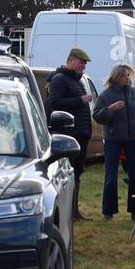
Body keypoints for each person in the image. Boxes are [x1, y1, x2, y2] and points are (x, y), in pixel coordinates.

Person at [92, 62, 135, 220]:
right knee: (110, 176)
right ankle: (108, 212)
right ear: (117, 77)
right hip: (112, 140)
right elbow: (97, 116)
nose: (127, 78)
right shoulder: (105, 95)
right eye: (124, 75)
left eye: (129, 75)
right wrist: (109, 110)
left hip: (133, 140)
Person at [47, 48, 95, 220]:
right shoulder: (60, 79)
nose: (84, 67)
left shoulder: (77, 80)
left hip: (79, 135)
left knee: (77, 173)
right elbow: (55, 102)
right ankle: (67, 213)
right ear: (72, 60)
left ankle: (74, 212)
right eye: (82, 63)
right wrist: (79, 100)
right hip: (69, 136)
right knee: (68, 176)